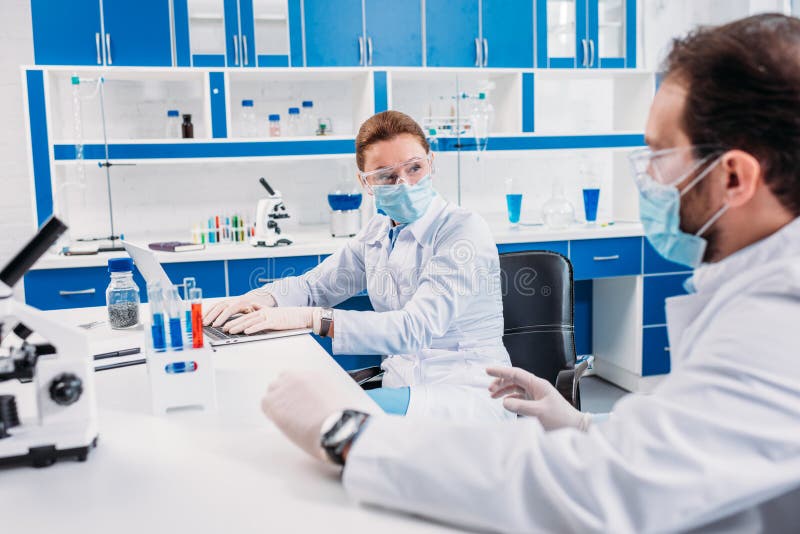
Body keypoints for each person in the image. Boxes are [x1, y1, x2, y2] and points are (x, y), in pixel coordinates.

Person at [261, 14, 800, 532]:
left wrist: (351, 435)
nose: (647, 178)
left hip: (461, 399)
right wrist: (584, 424)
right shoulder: (760, 295)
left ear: (733, 176)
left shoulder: (777, 322)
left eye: (659, 156)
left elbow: (602, 492)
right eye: (384, 176)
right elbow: (687, 446)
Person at [204, 110, 513, 420]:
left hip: (466, 392)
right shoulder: (378, 233)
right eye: (386, 176)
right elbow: (314, 287)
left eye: (415, 168)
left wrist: (314, 319)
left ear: (431, 163)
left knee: (322, 420)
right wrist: (261, 298)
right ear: (366, 182)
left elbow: (414, 328)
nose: (404, 184)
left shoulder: (462, 230)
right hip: (401, 384)